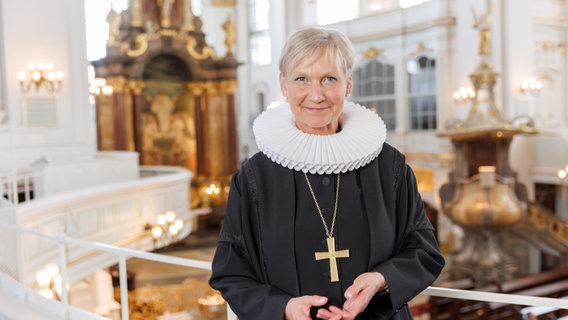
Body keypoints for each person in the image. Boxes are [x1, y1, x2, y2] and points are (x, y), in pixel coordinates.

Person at [209, 26, 445, 320]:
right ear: (284, 86)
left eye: (329, 79)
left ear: (348, 84)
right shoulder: (255, 178)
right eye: (301, 79)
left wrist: (381, 280)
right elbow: (230, 273)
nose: (316, 95)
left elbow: (424, 251)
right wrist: (283, 308)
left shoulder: (390, 167)